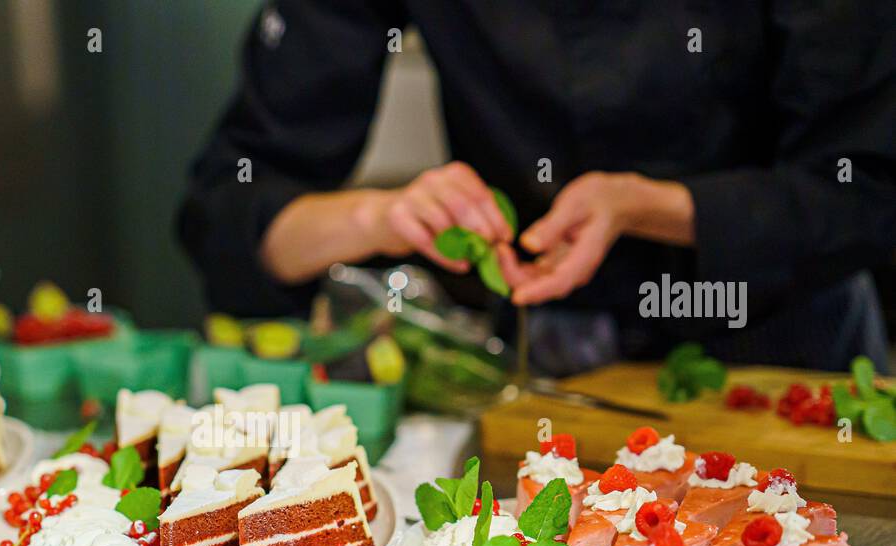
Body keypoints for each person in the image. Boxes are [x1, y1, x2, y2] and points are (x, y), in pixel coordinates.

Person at [178, 1, 896, 373]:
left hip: (782, 356)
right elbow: (230, 208)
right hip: (542, 363)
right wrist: (381, 215)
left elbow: (869, 186)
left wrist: (654, 209)